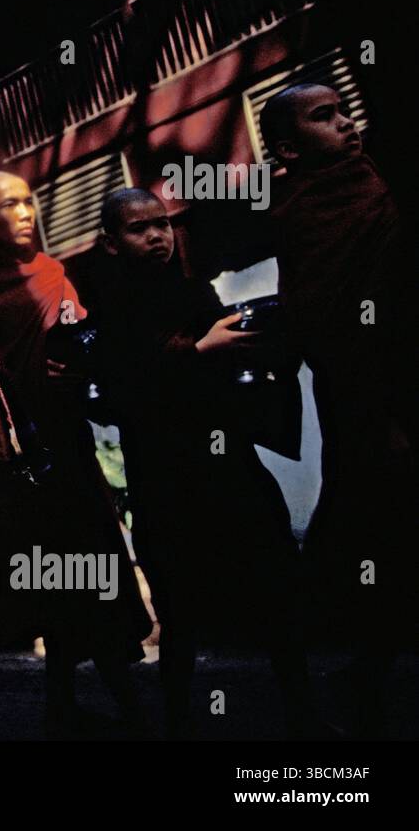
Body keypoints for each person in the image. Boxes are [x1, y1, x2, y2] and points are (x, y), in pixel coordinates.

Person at [94, 187, 316, 737]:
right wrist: (196, 353)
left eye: (161, 225)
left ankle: (304, 716)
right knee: (181, 615)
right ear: (112, 243)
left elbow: (238, 363)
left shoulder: (195, 291)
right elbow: (119, 392)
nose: (156, 237)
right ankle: (177, 722)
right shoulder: (112, 310)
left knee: (277, 592)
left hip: (229, 467)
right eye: (138, 228)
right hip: (166, 480)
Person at [0, 170, 150, 738]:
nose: (25, 213)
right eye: (9, 205)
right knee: (64, 588)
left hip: (72, 450)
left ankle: (67, 707)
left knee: (90, 581)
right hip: (18, 470)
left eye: (28, 201)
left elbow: (86, 346)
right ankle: (122, 711)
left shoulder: (52, 275)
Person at [259, 84, 417, 735]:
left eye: (345, 110)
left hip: (403, 375)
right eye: (324, 117)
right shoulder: (299, 214)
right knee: (370, 524)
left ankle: (365, 668)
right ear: (290, 149)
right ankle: (360, 674)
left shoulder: (377, 182)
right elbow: (315, 311)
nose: (346, 123)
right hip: (362, 394)